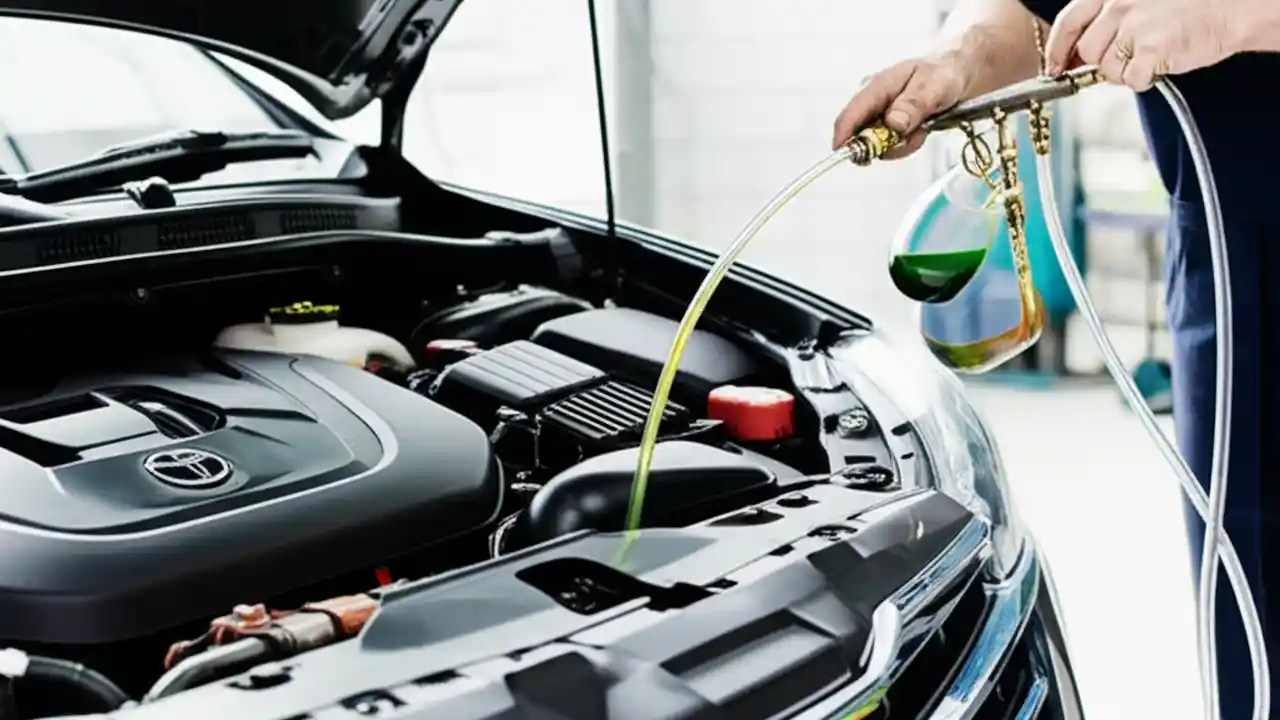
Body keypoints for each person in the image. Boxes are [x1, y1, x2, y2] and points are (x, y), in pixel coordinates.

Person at [830, 0, 1280, 717]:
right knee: (1258, 649)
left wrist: (1236, 16)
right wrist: (962, 61)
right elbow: (1050, 11)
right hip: (1232, 264)